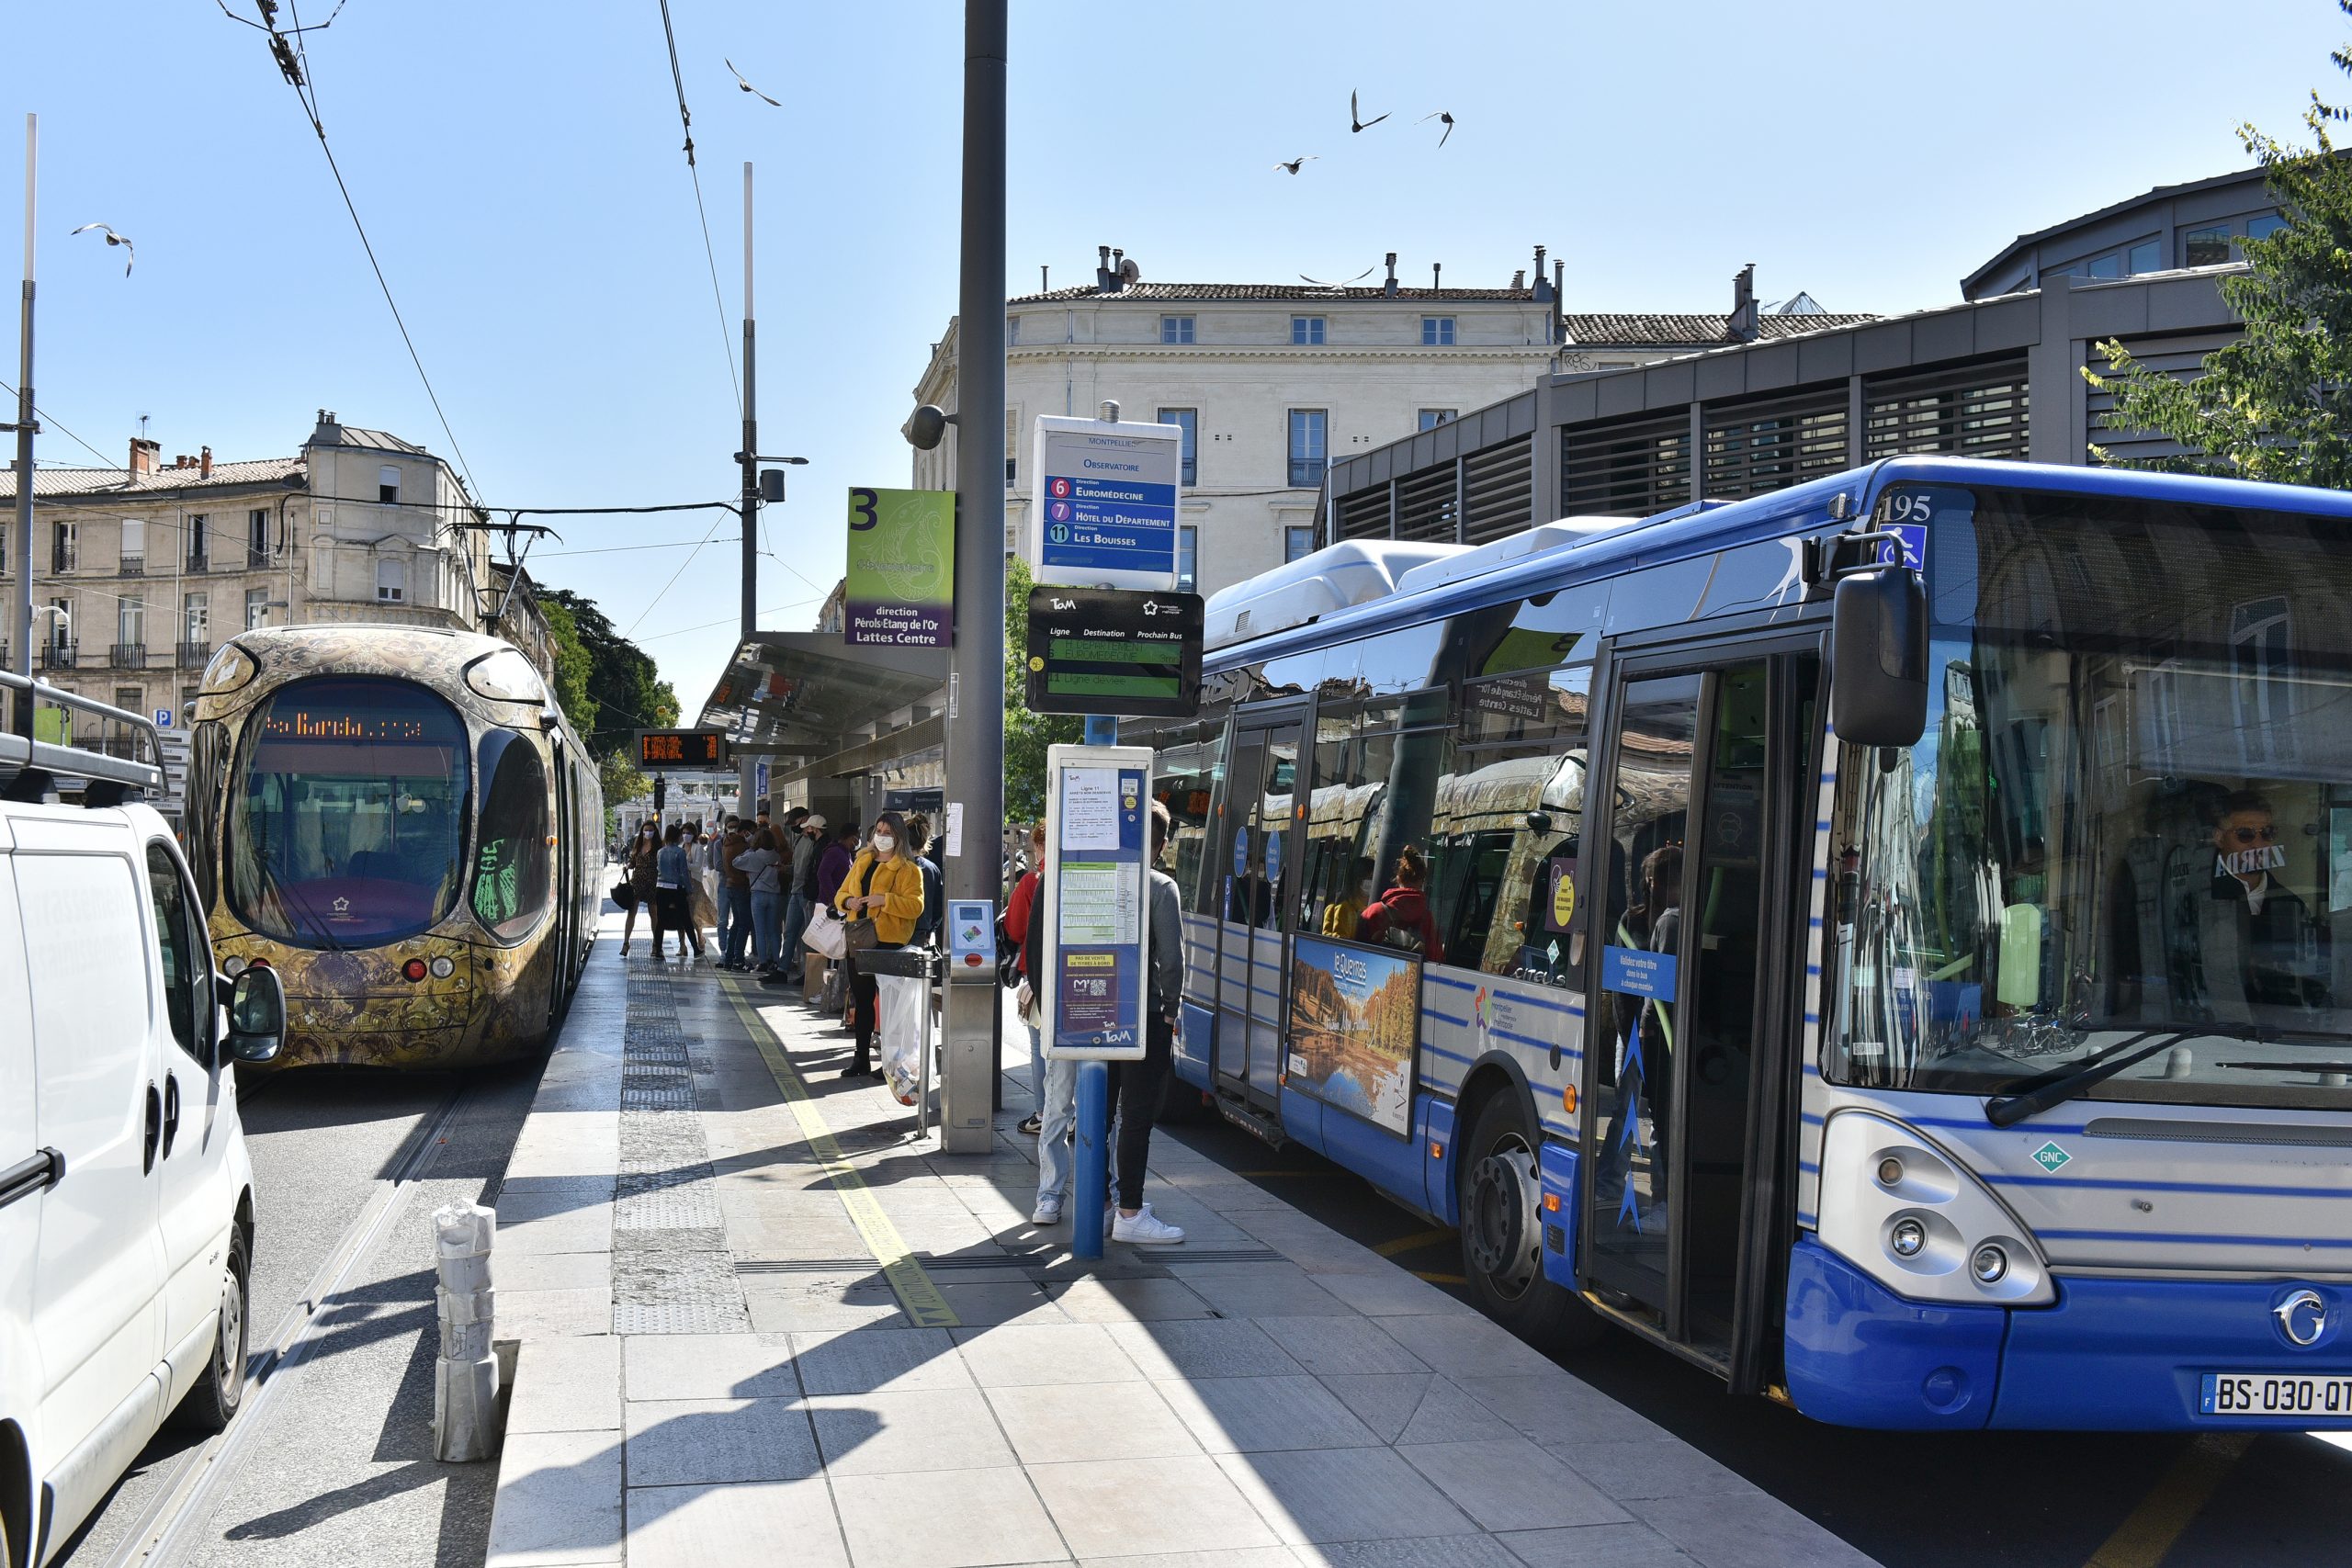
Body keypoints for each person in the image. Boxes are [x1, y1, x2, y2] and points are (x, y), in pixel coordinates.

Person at [1105, 802, 1187, 1244]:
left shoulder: (1097, 879)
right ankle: (1131, 1213)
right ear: (1161, 843)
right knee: (1136, 1117)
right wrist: (1170, 1009)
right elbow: (1171, 961)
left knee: (1098, 1113)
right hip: (1143, 1016)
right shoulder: (1160, 887)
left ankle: (1099, 1202)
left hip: (1095, 1012)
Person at [2189, 789, 2328, 1010]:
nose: (2258, 844)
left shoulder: (2292, 904)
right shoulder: (2197, 897)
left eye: (2267, 833)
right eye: (2245, 834)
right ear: (2219, 837)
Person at [835, 812, 927, 1078]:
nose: (882, 836)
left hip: (889, 941)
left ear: (898, 836)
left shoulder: (908, 869)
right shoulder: (863, 860)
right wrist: (847, 902)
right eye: (879, 831)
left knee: (890, 1004)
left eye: (887, 832)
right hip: (859, 936)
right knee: (862, 1001)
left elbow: (916, 906)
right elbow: (841, 892)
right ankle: (860, 1058)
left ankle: (890, 1062)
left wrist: (884, 900)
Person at [1005, 822, 1048, 1135]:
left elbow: (1015, 929)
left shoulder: (1032, 882)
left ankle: (1044, 1112)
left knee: (1040, 1048)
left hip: (1038, 975)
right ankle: (1076, 1114)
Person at [1357, 844, 1444, 961]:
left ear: (1398, 878)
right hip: (1411, 977)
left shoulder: (1375, 912)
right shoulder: (1427, 919)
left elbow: (1354, 953)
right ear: (1422, 882)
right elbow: (1435, 958)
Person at [779, 811, 827, 985]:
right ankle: (782, 968)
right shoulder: (800, 840)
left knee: (809, 935)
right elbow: (799, 866)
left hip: (807, 894)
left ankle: (809, 973)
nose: (799, 829)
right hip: (796, 891)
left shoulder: (819, 845)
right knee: (790, 932)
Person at [736, 828, 787, 972]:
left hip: (758, 894)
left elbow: (736, 862)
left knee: (759, 931)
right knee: (773, 930)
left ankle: (763, 962)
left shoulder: (753, 856)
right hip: (774, 895)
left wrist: (749, 850)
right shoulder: (776, 856)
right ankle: (776, 961)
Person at [717, 818, 754, 970]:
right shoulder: (741, 845)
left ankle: (729, 958)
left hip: (730, 885)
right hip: (740, 886)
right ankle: (738, 958)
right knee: (743, 923)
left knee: (736, 923)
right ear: (744, 831)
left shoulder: (725, 843)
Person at [652, 823, 693, 960]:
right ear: (677, 837)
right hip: (675, 888)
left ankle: (658, 950)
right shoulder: (680, 852)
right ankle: (696, 949)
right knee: (686, 919)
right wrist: (689, 889)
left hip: (660, 888)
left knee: (660, 921)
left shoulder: (660, 851)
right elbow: (683, 873)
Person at [619, 821, 660, 957]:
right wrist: (628, 866)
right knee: (632, 912)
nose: (648, 833)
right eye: (646, 830)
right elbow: (633, 861)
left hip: (652, 883)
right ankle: (626, 943)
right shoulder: (638, 846)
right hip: (637, 882)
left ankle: (656, 944)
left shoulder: (659, 847)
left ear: (655, 832)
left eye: (651, 830)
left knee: (653, 913)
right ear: (642, 832)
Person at [905, 811, 944, 948]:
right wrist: (931, 928)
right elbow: (938, 906)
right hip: (921, 930)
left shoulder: (897, 866)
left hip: (897, 929)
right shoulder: (932, 869)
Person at [1323, 856, 1374, 940]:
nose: (1372, 882)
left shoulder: (1368, 908)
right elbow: (1341, 946)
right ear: (1358, 880)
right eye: (1369, 878)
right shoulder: (1343, 909)